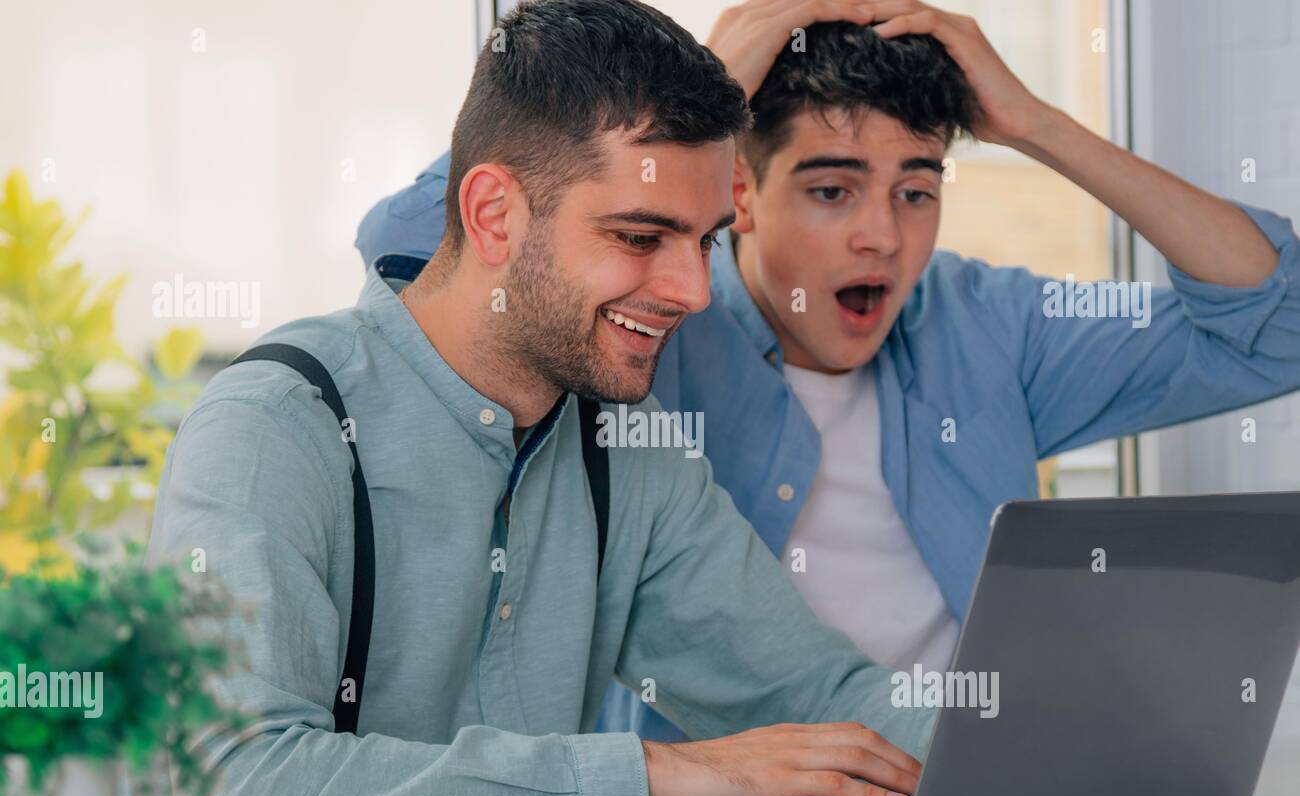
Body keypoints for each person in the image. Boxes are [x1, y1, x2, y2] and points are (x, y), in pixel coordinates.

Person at [357, 0, 1300, 745]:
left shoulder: (988, 329)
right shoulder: (648, 325)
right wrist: (708, 77)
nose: (881, 234)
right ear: (739, 195)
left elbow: (1278, 323)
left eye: (916, 191)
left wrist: (1037, 126)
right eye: (830, 188)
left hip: (958, 783)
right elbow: (415, 251)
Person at [145, 0, 936, 796]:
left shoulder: (628, 450)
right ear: (494, 217)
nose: (693, 291)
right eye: (641, 236)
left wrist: (1062, 750)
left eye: (705, 242)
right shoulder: (274, 427)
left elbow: (824, 706)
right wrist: (646, 775)